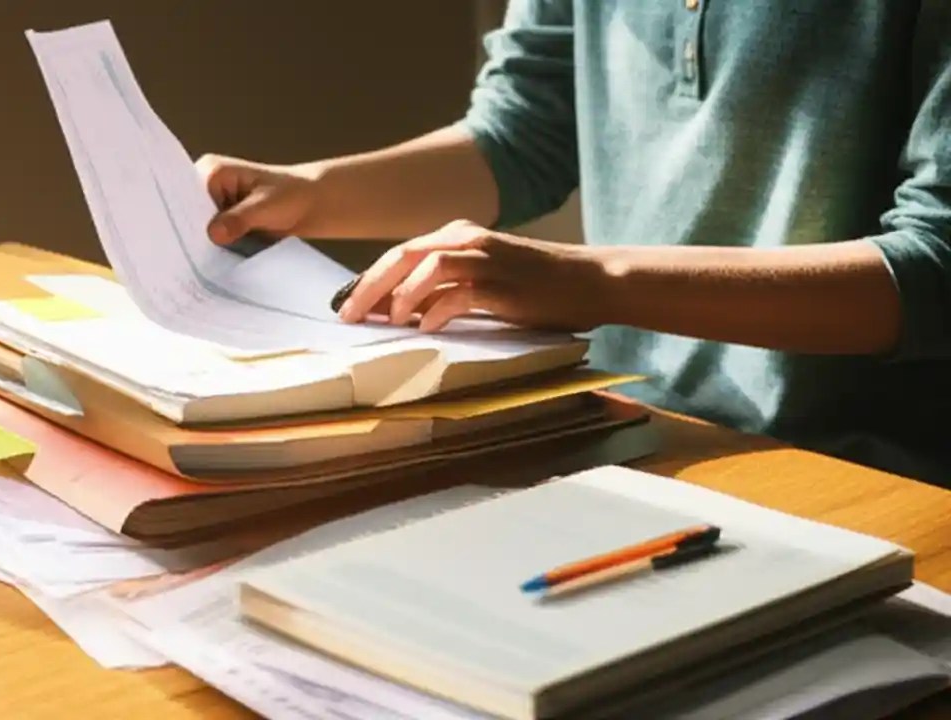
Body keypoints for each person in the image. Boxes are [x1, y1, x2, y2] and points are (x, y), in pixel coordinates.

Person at [195, 1, 951, 485]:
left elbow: (934, 274)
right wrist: (309, 194)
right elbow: (524, 132)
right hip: (634, 432)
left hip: (869, 473)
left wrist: (592, 282)